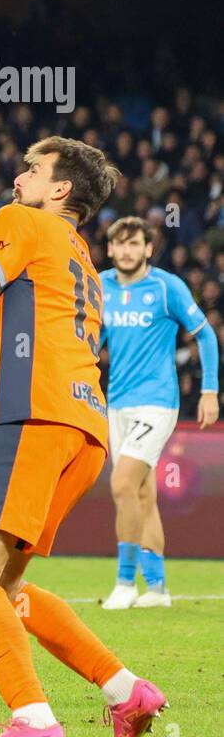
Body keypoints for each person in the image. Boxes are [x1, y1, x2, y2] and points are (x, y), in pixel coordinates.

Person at [0, 137, 166, 737]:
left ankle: (33, 723)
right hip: (83, 433)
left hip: (29, 418)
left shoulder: (18, 221)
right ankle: (126, 690)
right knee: (2, 589)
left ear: (59, 190)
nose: (18, 176)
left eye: (32, 168)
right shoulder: (79, 257)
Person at [99, 216, 218, 610]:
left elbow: (206, 334)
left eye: (136, 243)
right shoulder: (100, 286)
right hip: (117, 402)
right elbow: (91, 343)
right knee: (142, 494)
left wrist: (209, 391)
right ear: (111, 248)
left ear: (149, 248)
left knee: (121, 484)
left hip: (157, 402)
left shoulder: (167, 287)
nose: (128, 250)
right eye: (121, 244)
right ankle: (158, 589)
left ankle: (124, 583)